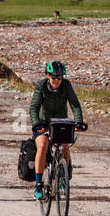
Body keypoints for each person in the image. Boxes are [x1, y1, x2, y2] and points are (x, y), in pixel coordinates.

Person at [30, 60, 87, 201]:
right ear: (48, 75)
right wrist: (36, 123)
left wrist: (78, 121)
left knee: (65, 147)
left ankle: (62, 178)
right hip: (43, 124)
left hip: (61, 122)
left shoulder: (66, 85)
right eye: (53, 76)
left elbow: (75, 104)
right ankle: (38, 185)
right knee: (42, 146)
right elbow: (34, 107)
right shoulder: (41, 86)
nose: (56, 80)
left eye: (59, 77)